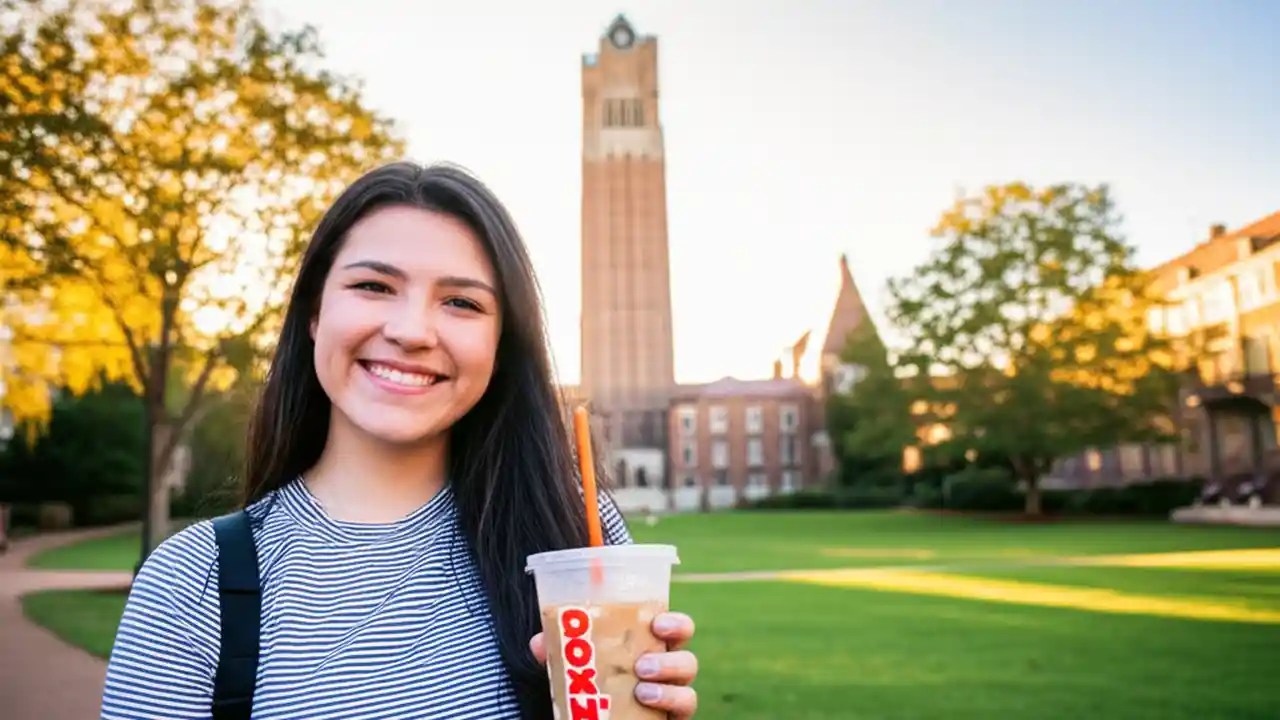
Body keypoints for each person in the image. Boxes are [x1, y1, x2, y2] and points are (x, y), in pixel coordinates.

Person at [99, 162, 699, 719]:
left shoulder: (572, 537)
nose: (411, 331)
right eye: (374, 286)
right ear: (314, 314)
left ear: (500, 344)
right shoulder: (190, 582)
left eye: (461, 302)